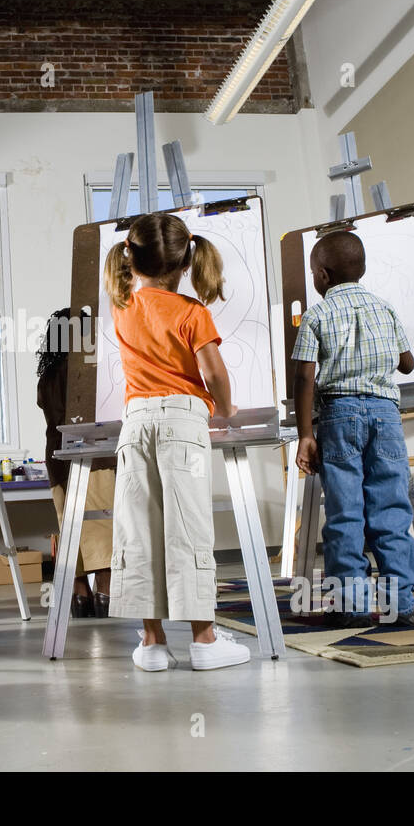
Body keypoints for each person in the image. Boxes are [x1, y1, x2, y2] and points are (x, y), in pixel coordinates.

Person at [103, 213, 250, 671]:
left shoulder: (121, 304)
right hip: (183, 422)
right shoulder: (192, 312)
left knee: (138, 529)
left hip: (135, 423)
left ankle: (151, 641)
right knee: (187, 528)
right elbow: (213, 372)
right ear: (187, 262)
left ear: (130, 257)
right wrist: (225, 409)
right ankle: (204, 641)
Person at [291, 230, 414, 628]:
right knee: (392, 509)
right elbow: (408, 364)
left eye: (314, 272)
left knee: (346, 513)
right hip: (386, 417)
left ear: (323, 276)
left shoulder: (316, 315)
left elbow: (305, 378)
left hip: (339, 417)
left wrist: (305, 435)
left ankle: (351, 605)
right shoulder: (385, 308)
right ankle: (402, 603)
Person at [36, 307, 114, 618]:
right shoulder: (84, 370)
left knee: (69, 526)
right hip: (92, 456)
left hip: (57, 459)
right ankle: (105, 593)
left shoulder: (47, 376)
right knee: (100, 524)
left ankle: (79, 596)